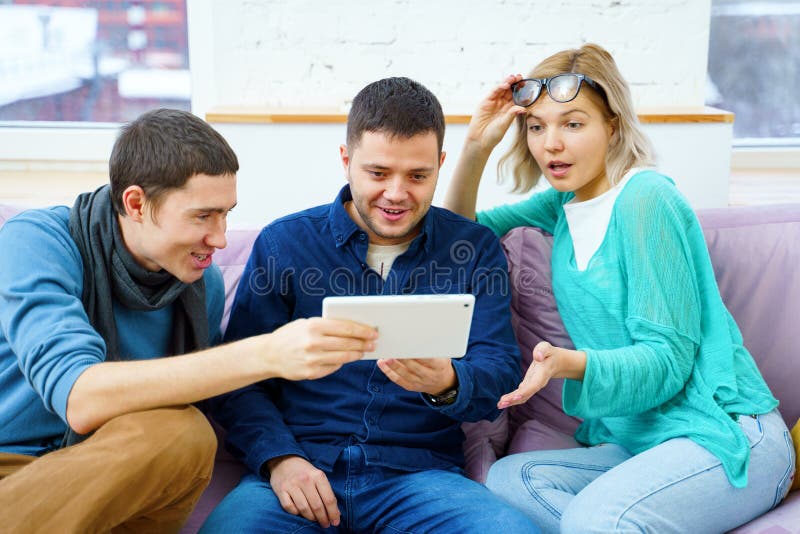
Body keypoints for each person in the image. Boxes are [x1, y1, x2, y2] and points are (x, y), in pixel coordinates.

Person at [443, 43, 795, 533]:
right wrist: (477, 147)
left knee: (595, 517)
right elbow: (457, 239)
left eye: (573, 123)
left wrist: (568, 364)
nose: (551, 145)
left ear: (612, 126)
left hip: (726, 433)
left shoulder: (646, 199)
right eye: (537, 126)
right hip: (645, 441)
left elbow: (668, 363)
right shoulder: (559, 207)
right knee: (510, 480)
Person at [0, 108, 377, 533]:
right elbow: (79, 397)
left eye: (226, 215)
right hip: (12, 467)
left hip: (114, 482)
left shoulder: (202, 286)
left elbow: (187, 422)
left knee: (187, 435)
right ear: (137, 203)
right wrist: (265, 353)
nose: (219, 238)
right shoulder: (39, 241)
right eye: (203, 216)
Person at [200, 77, 540, 533]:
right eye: (378, 173)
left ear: (440, 165)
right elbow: (240, 380)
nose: (397, 194)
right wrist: (279, 460)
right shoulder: (285, 243)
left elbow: (500, 372)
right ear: (346, 161)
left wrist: (449, 381)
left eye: (418, 176)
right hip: (300, 472)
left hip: (420, 478)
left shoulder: (473, 248)